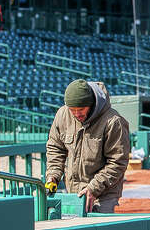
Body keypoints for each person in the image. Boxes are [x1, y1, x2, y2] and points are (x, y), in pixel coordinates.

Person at [44, 79, 130, 213]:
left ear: (91, 104)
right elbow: (56, 148)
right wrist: (53, 175)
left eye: (81, 109)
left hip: (103, 194)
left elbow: (118, 162)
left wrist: (94, 188)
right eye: (73, 110)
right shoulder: (63, 115)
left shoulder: (113, 122)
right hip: (74, 192)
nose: (77, 114)